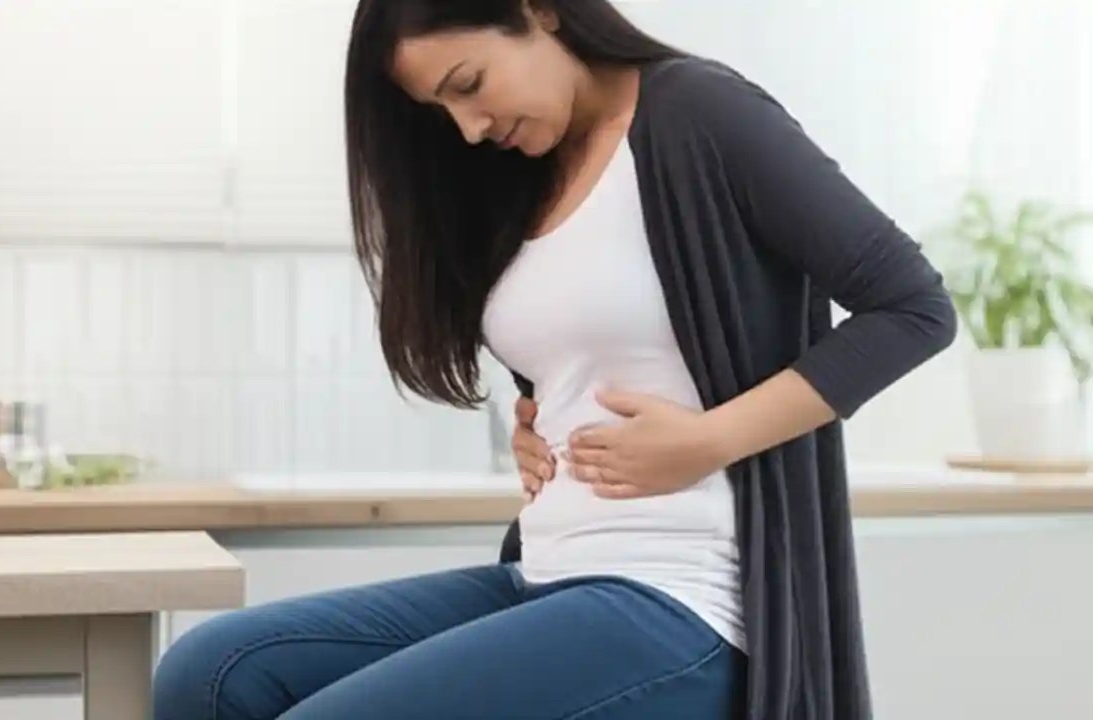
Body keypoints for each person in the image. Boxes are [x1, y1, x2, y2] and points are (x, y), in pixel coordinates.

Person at [153, 1, 956, 718]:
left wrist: (709, 440)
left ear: (538, 10)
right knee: (210, 672)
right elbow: (593, 352)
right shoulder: (526, 173)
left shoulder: (701, 114)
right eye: (442, 109)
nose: (468, 127)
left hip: (686, 592)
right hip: (550, 568)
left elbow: (914, 307)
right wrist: (540, 419)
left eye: (469, 84)